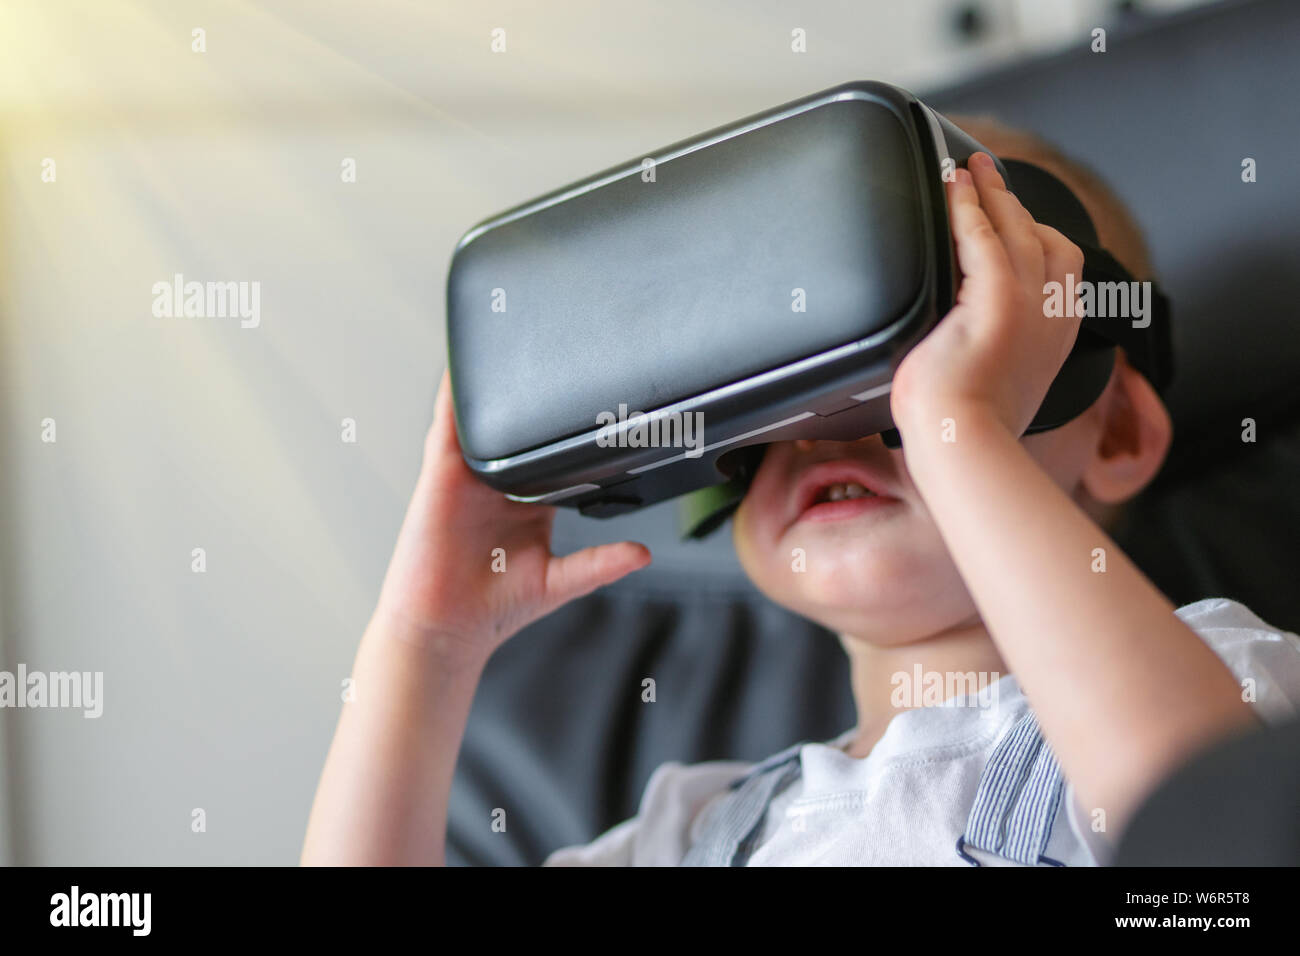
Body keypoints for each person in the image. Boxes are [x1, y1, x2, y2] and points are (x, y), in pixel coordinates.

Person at [301, 121, 1300, 866]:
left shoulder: (1223, 678)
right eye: (785, 384)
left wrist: (956, 430)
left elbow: (1213, 856)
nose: (832, 421)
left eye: (938, 330)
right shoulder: (690, 828)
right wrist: (423, 643)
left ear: (1115, 427)